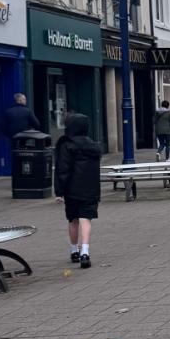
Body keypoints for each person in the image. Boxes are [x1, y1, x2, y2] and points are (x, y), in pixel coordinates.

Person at [54, 114, 102, 269]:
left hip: (72, 189)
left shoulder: (66, 145)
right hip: (91, 188)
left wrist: (59, 191)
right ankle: (85, 251)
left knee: (73, 219)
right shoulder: (94, 146)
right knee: (85, 219)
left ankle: (74, 250)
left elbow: (63, 169)